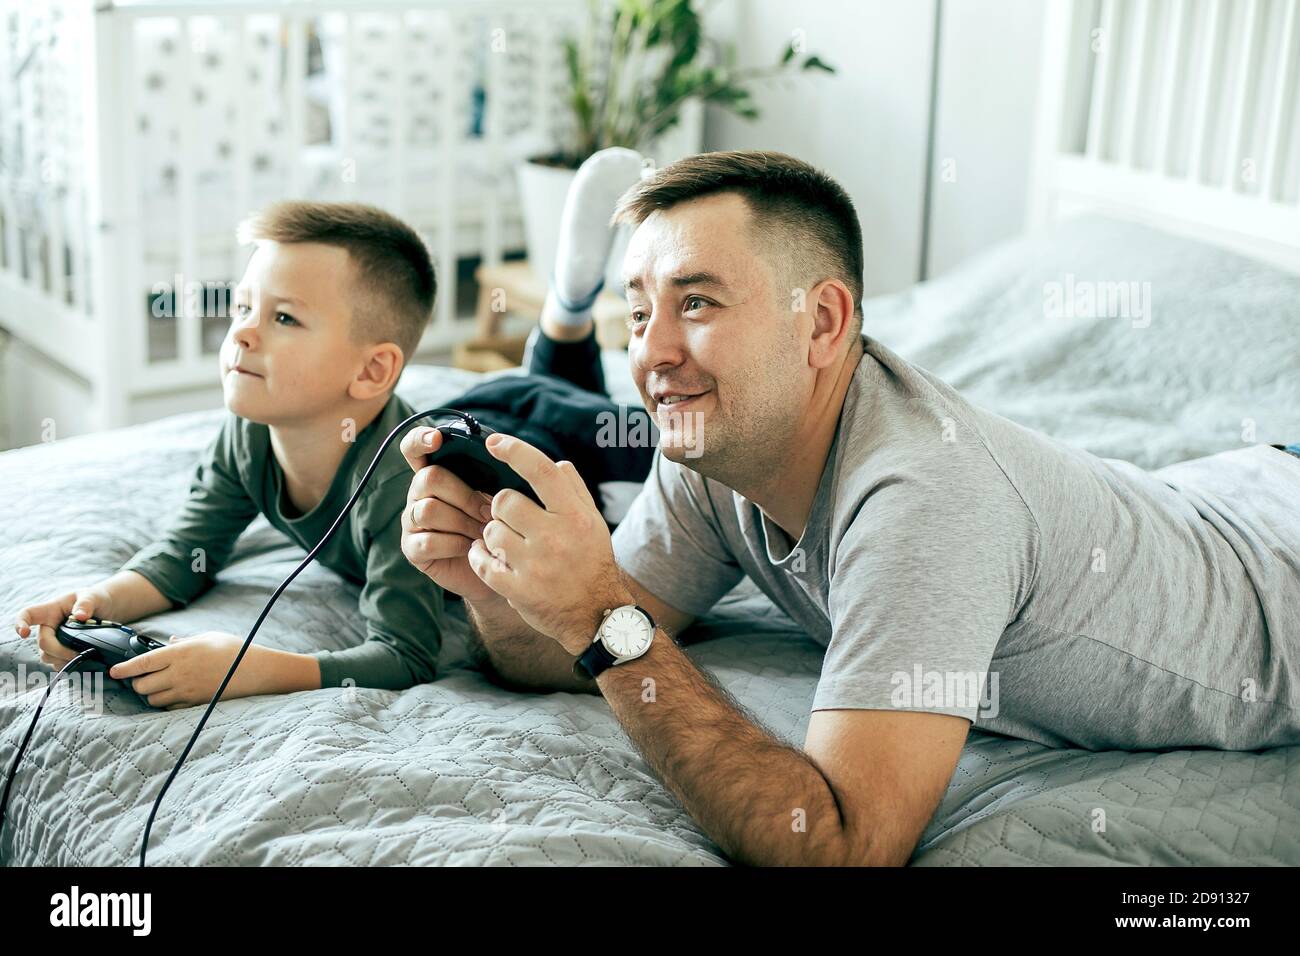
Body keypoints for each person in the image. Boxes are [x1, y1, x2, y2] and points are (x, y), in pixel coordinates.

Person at [399, 148, 1300, 866]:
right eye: (637, 314)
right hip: (1219, 487)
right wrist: (486, 581)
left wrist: (603, 609)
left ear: (824, 323)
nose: (653, 354)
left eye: (698, 302)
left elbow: (837, 843)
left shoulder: (926, 500)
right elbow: (575, 646)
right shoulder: (713, 447)